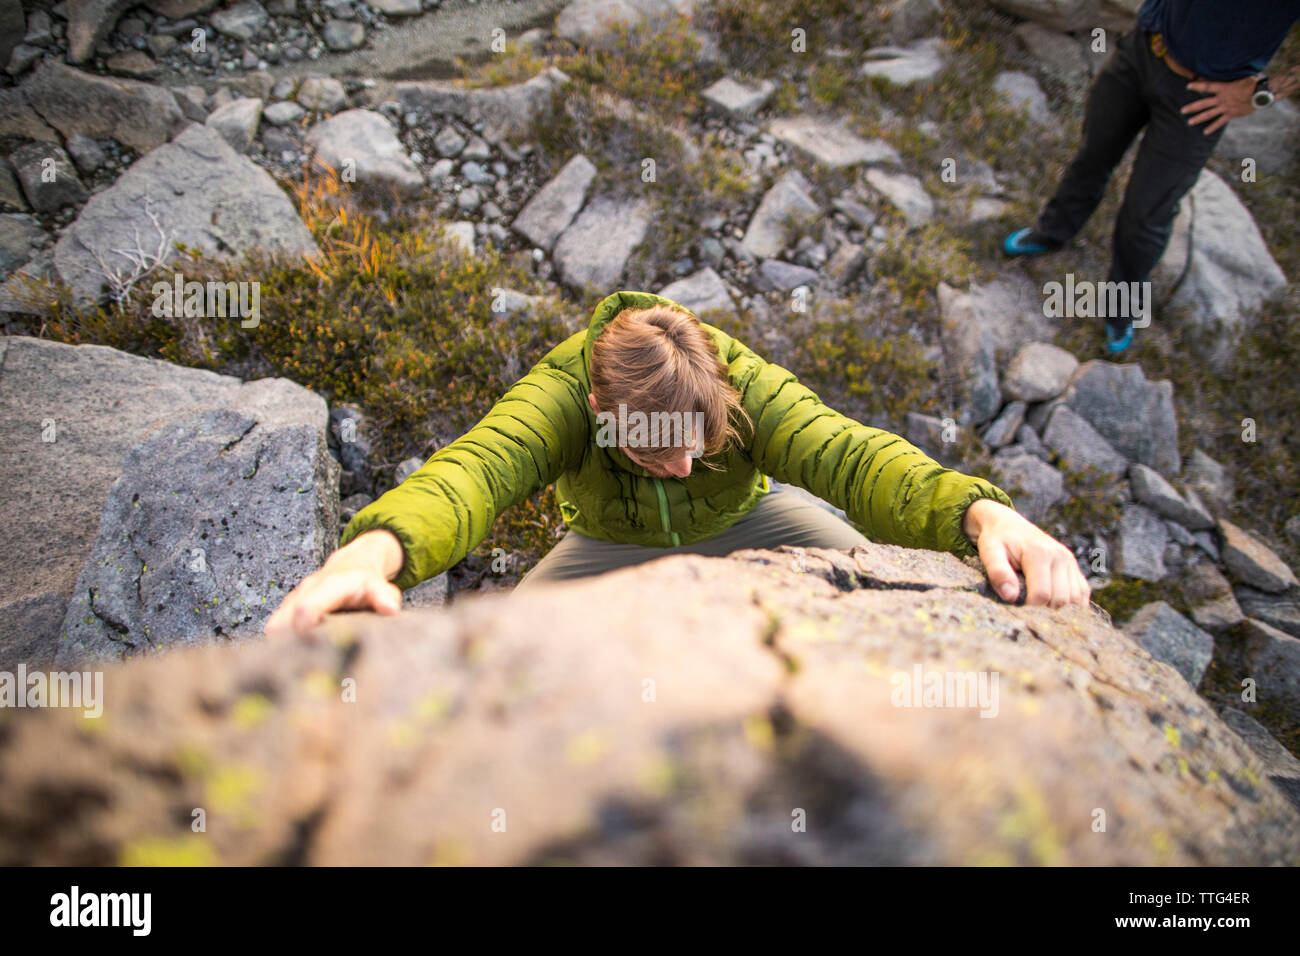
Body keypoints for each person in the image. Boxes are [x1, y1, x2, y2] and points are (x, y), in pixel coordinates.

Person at [267, 291, 1090, 637]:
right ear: (600, 416)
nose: (684, 462)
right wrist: (372, 554)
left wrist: (986, 514)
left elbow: (849, 454)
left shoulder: (735, 381)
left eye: (701, 442)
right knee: (518, 652)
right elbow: (475, 472)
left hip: (748, 523)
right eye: (657, 450)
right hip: (609, 546)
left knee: (869, 580)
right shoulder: (563, 394)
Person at [1003, 0, 1300, 354]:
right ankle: (1051, 232)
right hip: (1142, 49)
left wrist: (1261, 94)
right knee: (1093, 155)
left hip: (1201, 96)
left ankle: (1122, 308)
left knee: (1146, 214)